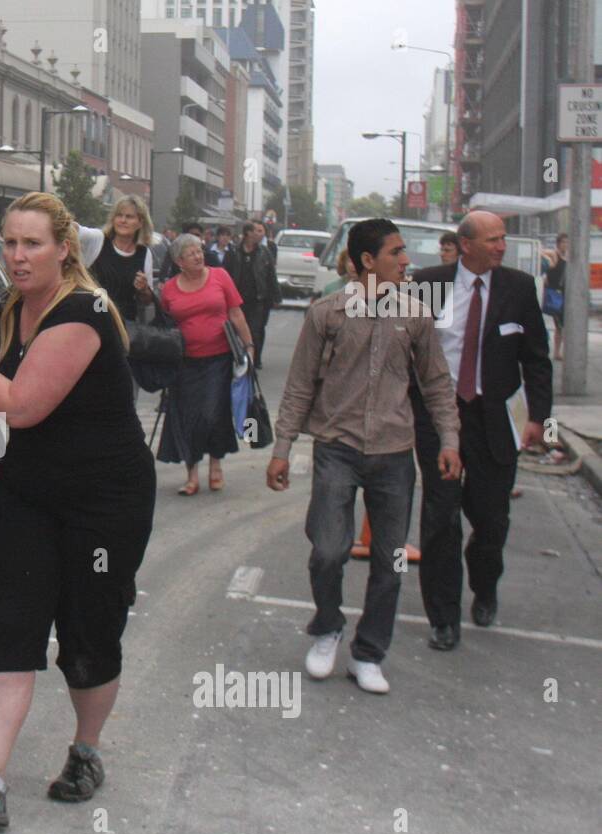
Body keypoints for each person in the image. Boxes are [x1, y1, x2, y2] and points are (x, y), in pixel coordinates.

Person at [0, 192, 156, 828]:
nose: (19, 255)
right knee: (13, 625)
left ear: (64, 249)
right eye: (10, 242)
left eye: (33, 243)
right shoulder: (11, 309)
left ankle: (86, 751)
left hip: (103, 503)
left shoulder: (83, 310)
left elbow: (23, 406)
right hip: (28, 495)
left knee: (87, 637)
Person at [267, 218, 462, 693]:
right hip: (337, 448)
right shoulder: (327, 314)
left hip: (395, 454)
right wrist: (282, 448)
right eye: (396, 252)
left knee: (390, 560)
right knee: (328, 551)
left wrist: (450, 439)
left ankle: (368, 653)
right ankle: (328, 626)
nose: (406, 260)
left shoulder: (415, 315)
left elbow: (436, 383)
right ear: (367, 261)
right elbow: (298, 386)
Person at [408, 211, 553, 650]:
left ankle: (485, 585)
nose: (501, 246)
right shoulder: (429, 282)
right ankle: (443, 617)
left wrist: (539, 419)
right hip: (440, 415)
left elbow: (537, 359)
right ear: (466, 244)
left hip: (495, 419)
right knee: (441, 516)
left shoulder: (518, 288)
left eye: (503, 239)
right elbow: (405, 347)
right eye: (492, 239)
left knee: (491, 520)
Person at [157, 233, 253, 494]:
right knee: (188, 418)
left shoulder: (220, 277)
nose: (199, 256)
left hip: (219, 359)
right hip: (185, 363)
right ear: (179, 261)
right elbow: (165, 324)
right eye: (192, 254)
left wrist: (249, 347)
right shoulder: (169, 289)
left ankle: (216, 465)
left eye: (199, 251)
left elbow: (236, 313)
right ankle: (192, 475)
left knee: (212, 414)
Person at [85, 196, 155, 330]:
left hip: (125, 326)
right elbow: (74, 230)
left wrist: (144, 289)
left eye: (129, 217)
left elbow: (147, 301)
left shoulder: (144, 254)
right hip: (92, 322)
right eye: (119, 215)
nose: (123, 220)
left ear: (140, 222)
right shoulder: (98, 240)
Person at [224, 221, 280, 369]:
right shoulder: (233, 252)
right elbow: (225, 275)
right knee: (234, 330)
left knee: (255, 330)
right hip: (236, 300)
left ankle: (253, 359)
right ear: (248, 233)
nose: (260, 234)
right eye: (256, 231)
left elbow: (271, 275)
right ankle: (234, 358)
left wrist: (276, 295)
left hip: (257, 299)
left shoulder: (264, 252)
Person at [542, 232, 567, 362]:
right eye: (563, 242)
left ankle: (557, 352)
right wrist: (548, 266)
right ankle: (556, 352)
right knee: (559, 324)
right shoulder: (554, 254)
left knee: (561, 325)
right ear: (558, 243)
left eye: (567, 242)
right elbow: (540, 252)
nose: (566, 245)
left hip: (562, 294)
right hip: (552, 293)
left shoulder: (567, 257)